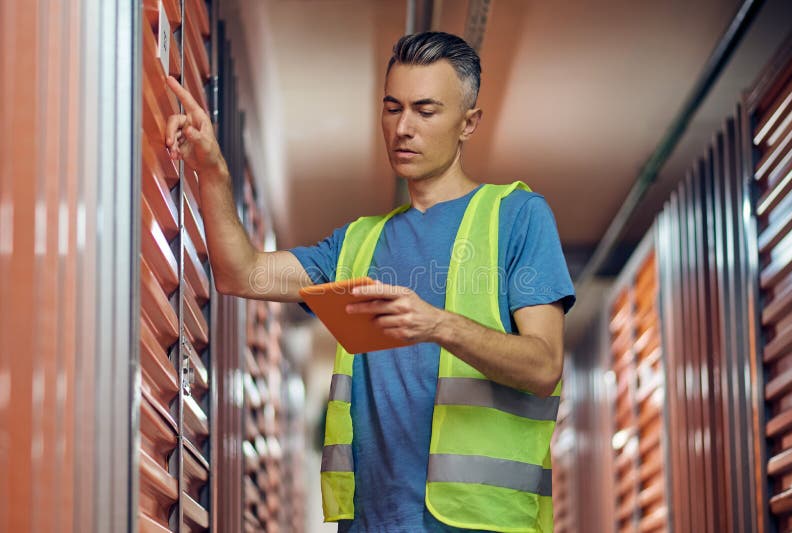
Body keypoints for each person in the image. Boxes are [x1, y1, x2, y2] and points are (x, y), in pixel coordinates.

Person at [166, 31, 575, 533]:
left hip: (484, 523)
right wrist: (212, 170)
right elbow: (241, 273)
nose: (403, 128)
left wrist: (440, 325)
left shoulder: (517, 217)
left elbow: (543, 365)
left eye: (426, 111)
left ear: (469, 123)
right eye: (392, 108)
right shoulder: (357, 244)